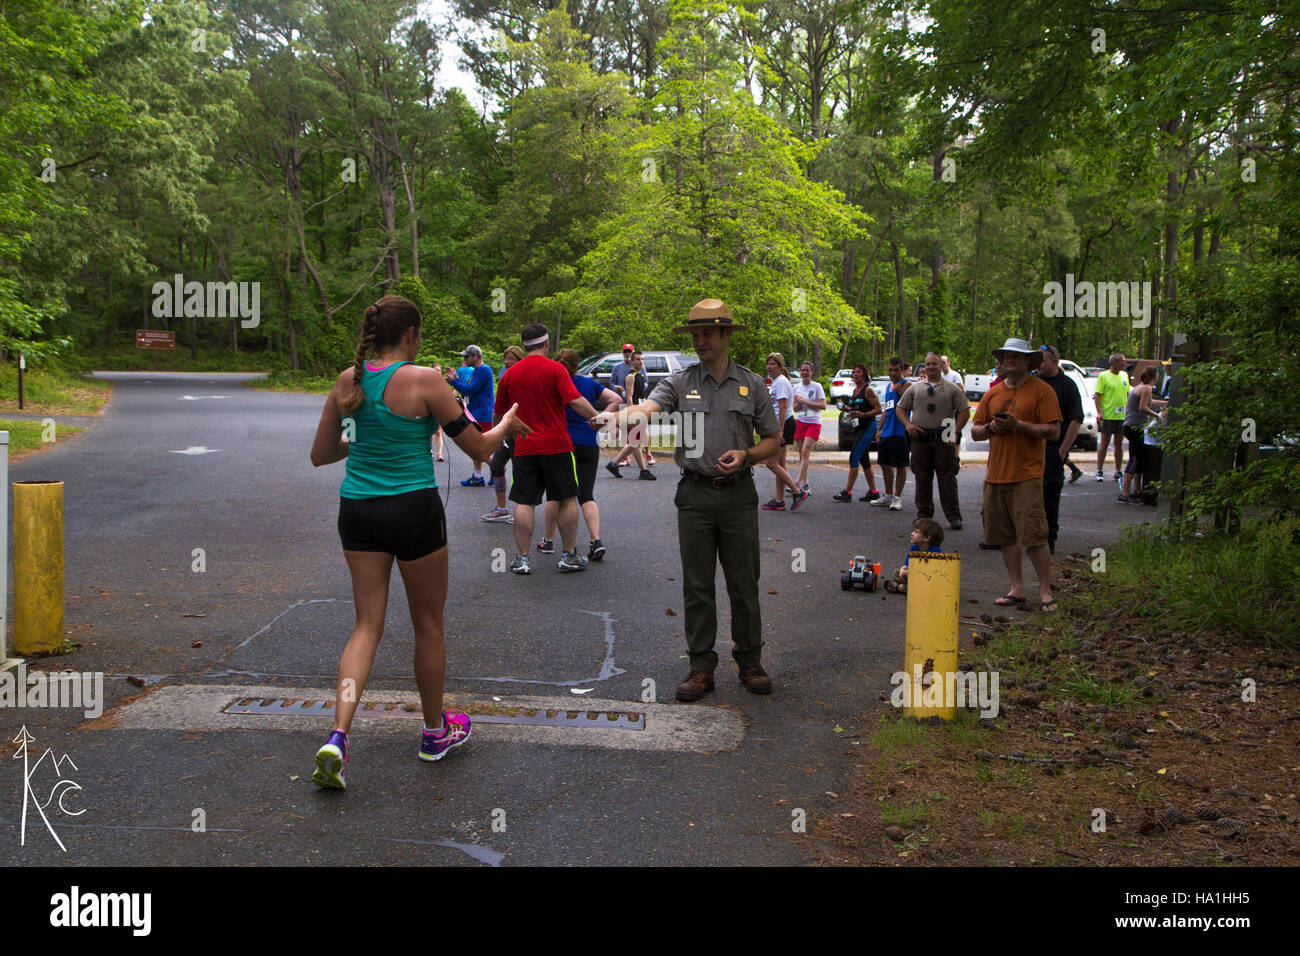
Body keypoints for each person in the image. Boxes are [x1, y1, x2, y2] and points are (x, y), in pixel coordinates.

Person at [308, 295, 531, 788]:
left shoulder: (349, 381)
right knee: (427, 624)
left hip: (358, 510)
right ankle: (434, 732)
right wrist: (508, 425)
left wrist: (364, 431)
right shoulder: (426, 381)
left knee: (366, 625)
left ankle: (338, 736)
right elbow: (478, 445)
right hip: (413, 510)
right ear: (411, 333)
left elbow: (323, 454)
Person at [594, 299, 780, 701]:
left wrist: (747, 455)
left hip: (739, 496)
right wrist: (618, 418)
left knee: (744, 583)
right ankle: (701, 667)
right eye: (694, 334)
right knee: (698, 585)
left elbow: (774, 440)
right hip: (694, 494)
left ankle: (750, 661)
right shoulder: (680, 382)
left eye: (707, 333)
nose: (699, 341)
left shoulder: (753, 384)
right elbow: (649, 407)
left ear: (726, 334)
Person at [494, 323, 602, 574]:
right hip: (557, 446)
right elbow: (575, 400)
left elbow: (499, 414)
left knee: (524, 502)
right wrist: (597, 419)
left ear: (524, 346)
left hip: (525, 446)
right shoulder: (556, 369)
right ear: (546, 344)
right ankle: (568, 556)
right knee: (566, 499)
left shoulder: (509, 374)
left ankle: (522, 560)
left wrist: (499, 436)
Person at [970, 338, 1062, 612]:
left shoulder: (1041, 391)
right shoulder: (993, 393)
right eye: (1006, 356)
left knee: (1034, 534)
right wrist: (990, 428)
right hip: (996, 475)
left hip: (1027, 474)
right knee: (1005, 536)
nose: (1010, 359)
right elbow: (975, 432)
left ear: (1028, 362)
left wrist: (1019, 425)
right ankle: (1017, 588)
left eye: (1016, 356)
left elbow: (1054, 431)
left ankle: (1045, 590)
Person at [540, 349, 621, 559]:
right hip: (589, 441)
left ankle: (548, 541)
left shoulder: (553, 384)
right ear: (578, 365)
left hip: (563, 443)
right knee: (586, 495)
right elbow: (615, 398)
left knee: (557, 495)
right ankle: (596, 540)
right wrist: (602, 416)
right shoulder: (588, 384)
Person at [896, 352, 969, 529]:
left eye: (934, 364)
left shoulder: (952, 388)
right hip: (920, 439)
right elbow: (900, 409)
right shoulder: (915, 388)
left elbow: (964, 411)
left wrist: (955, 430)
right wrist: (908, 425)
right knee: (922, 478)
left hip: (943, 440)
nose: (931, 367)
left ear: (941, 366)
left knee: (947, 479)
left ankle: (953, 516)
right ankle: (924, 515)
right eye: (928, 364)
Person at [1036, 345, 1084, 554]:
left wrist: (1063, 451)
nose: (1039, 365)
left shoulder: (1067, 385)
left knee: (1049, 499)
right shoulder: (1032, 383)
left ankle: (1048, 544)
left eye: (1043, 360)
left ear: (1055, 362)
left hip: (1053, 452)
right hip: (1029, 452)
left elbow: (1076, 419)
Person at [481, 346, 526, 522]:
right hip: (505, 431)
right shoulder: (504, 376)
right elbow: (498, 409)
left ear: (519, 360)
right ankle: (502, 508)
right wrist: (496, 433)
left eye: (511, 358)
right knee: (496, 465)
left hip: (518, 431)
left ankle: (522, 510)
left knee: (520, 470)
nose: (507, 362)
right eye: (505, 358)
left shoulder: (523, 377)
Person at [761, 352, 808, 511]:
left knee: (771, 463)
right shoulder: (777, 381)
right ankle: (779, 500)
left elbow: (782, 407)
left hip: (783, 425)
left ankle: (797, 492)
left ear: (780, 367)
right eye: (768, 364)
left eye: (773, 364)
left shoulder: (780, 382)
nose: (769, 367)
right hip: (783, 424)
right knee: (780, 464)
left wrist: (779, 431)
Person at [833, 364, 882, 502]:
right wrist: (846, 409)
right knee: (864, 460)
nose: (855, 374)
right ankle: (874, 491)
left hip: (868, 427)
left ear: (864, 374)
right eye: (854, 372)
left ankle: (847, 492)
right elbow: (855, 411)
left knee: (854, 457)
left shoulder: (868, 390)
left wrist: (863, 414)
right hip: (858, 428)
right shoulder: (855, 391)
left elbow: (878, 409)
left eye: (858, 372)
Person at [447, 345, 495, 486]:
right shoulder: (477, 370)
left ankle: (497, 470)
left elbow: (470, 390)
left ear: (475, 356)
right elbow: (469, 388)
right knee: (477, 446)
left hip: (482, 414)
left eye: (467, 356)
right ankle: (478, 475)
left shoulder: (484, 370)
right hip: (476, 412)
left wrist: (453, 382)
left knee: (481, 447)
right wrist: (456, 379)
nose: (464, 359)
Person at [606, 350, 656, 480]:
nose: (641, 361)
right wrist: (631, 414)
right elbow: (628, 396)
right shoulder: (631, 376)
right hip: (634, 411)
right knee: (636, 441)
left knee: (636, 441)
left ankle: (614, 464)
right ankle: (643, 470)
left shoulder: (641, 375)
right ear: (632, 362)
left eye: (642, 359)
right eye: (638, 359)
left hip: (641, 409)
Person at [870, 357, 912, 511]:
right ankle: (888, 495)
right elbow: (887, 411)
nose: (892, 373)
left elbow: (907, 400)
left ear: (902, 370)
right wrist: (879, 429)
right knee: (885, 464)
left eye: (896, 370)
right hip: (887, 431)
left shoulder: (907, 386)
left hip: (900, 432)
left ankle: (897, 497)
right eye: (890, 370)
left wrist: (897, 383)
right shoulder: (888, 387)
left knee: (900, 465)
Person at [1120, 365, 1166, 503]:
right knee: (1135, 458)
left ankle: (1138, 489)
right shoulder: (1147, 388)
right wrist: (1157, 415)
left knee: (1139, 458)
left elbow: (1151, 402)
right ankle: (1125, 492)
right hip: (1134, 427)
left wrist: (1167, 403)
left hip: (1131, 426)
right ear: (1155, 376)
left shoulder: (1141, 387)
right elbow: (1143, 407)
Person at [1094, 353, 1130, 481]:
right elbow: (1097, 395)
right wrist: (1099, 412)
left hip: (1121, 416)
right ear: (1114, 362)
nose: (1124, 363)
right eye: (1122, 361)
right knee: (1104, 443)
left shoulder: (1125, 375)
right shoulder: (1104, 376)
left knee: (1118, 443)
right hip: (1107, 415)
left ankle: (1118, 470)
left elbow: (1127, 394)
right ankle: (1099, 470)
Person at [791, 361, 827, 493]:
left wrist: (805, 401)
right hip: (800, 421)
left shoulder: (817, 386)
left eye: (807, 370)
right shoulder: (796, 388)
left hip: (814, 422)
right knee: (802, 454)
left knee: (806, 451)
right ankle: (806, 485)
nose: (805, 373)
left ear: (812, 372)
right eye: (802, 370)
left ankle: (796, 483)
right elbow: (794, 408)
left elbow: (823, 405)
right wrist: (798, 404)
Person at [885, 517, 944, 594]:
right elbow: (907, 564)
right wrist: (903, 570)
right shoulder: (914, 548)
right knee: (896, 572)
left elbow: (930, 571)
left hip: (928, 579)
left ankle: (901, 588)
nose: (912, 534)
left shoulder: (935, 551)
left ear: (927, 538)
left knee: (927, 584)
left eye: (916, 532)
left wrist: (910, 572)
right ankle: (907, 587)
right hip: (915, 575)